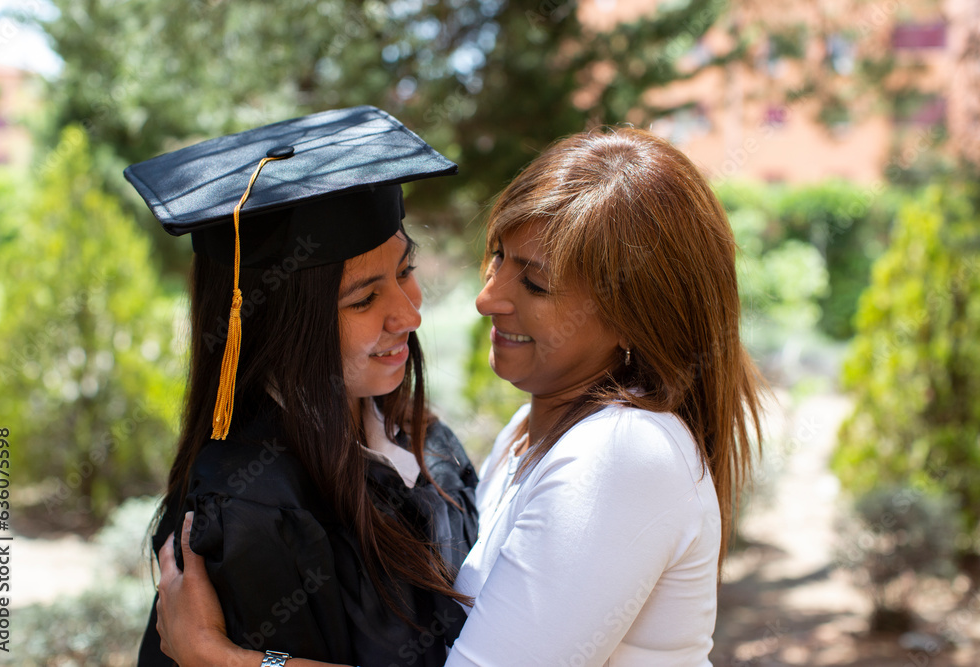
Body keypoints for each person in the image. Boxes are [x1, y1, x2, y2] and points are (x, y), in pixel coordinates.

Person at [154, 127, 766, 667]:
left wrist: (223, 661)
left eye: (537, 282)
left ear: (637, 317)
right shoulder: (521, 436)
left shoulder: (619, 454)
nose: (487, 297)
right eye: (498, 256)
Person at [127, 106, 479, 667]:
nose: (409, 315)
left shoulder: (414, 433)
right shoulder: (251, 508)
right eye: (363, 298)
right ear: (280, 323)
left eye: (406, 271)